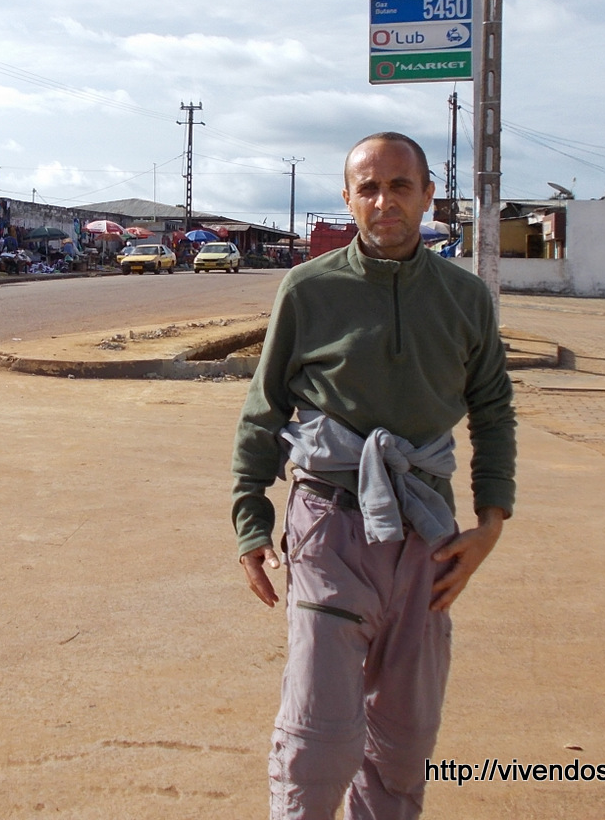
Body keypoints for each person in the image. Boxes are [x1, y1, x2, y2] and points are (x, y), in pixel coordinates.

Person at [231, 132, 515, 819]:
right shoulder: (308, 290)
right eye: (368, 187)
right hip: (329, 524)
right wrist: (250, 522)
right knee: (320, 736)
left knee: (405, 739)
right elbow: (264, 409)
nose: (384, 201)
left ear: (427, 195)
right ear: (348, 199)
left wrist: (491, 526)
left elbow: (493, 410)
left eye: (399, 186)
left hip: (428, 536)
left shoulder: (465, 298)